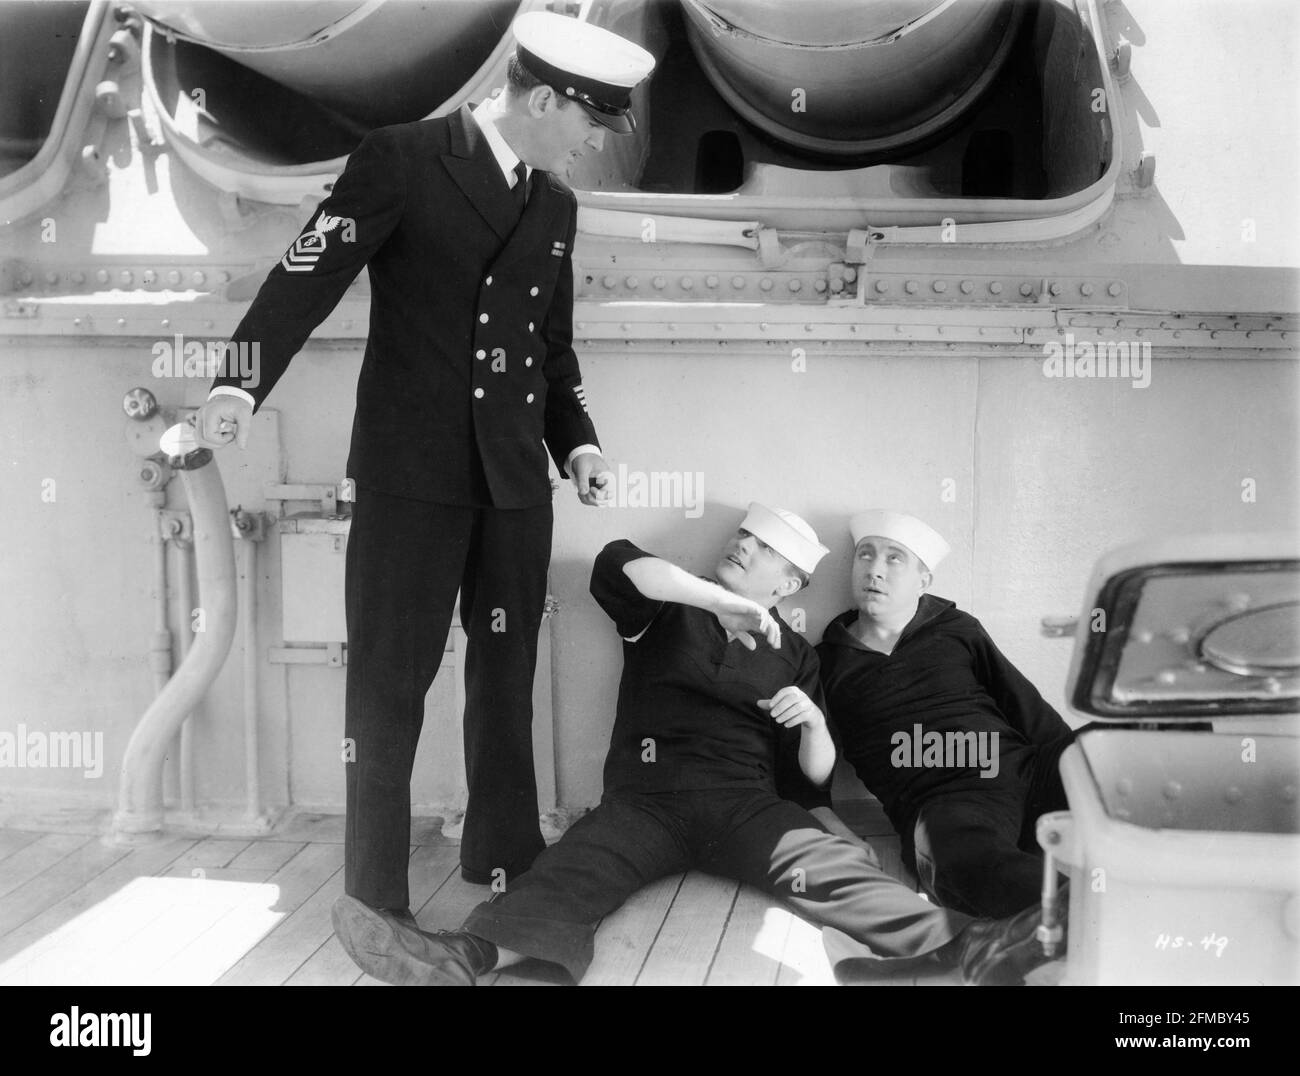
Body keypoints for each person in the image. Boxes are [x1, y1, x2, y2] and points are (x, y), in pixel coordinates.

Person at [190, 12, 657, 940]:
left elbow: (550, 351)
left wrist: (582, 446)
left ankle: (505, 857)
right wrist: (237, 386)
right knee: (387, 685)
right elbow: (306, 272)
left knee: (507, 672)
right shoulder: (402, 158)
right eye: (590, 122)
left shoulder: (555, 205)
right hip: (415, 475)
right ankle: (374, 894)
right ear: (544, 97)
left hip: (516, 482)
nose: (595, 142)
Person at [331, 504, 1062, 986]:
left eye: (764, 548)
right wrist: (720, 599)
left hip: (746, 806)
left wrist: (812, 727)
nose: (743, 547)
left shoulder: (800, 655)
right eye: (742, 537)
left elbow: (806, 785)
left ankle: (970, 946)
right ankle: (461, 955)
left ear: (794, 579)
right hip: (646, 803)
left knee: (838, 871)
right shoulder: (669, 606)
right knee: (571, 873)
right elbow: (613, 563)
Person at [817, 510, 1077, 919]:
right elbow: (808, 759)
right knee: (959, 858)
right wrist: (834, 825)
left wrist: (1077, 762)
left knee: (1126, 744)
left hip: (1026, 770)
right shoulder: (826, 661)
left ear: (924, 581)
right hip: (948, 803)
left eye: (894, 558)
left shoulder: (956, 627)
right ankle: (1086, 919)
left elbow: (1024, 706)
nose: (875, 570)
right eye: (865, 555)